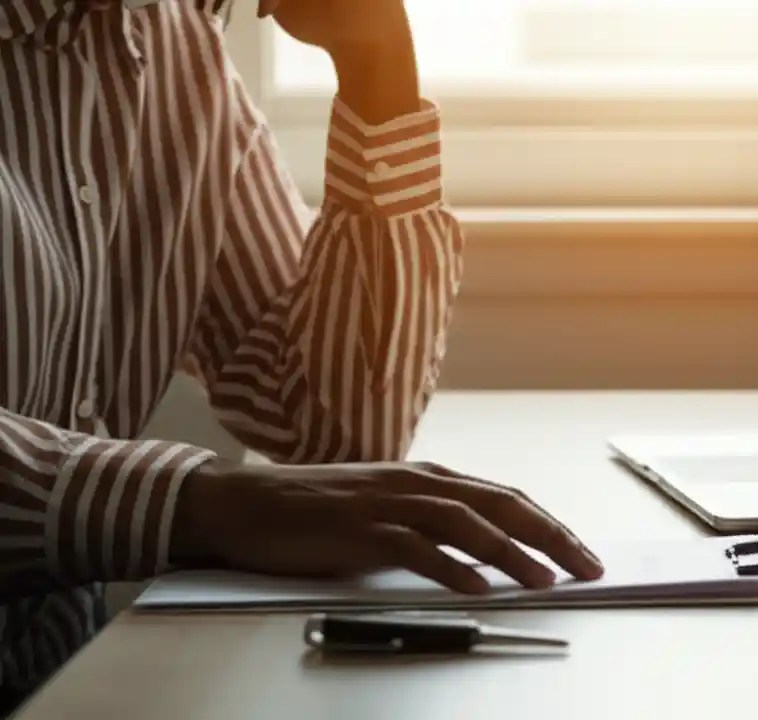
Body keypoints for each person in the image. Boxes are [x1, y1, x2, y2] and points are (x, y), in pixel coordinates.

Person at [0, 0, 603, 709]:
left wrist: (378, 68)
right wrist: (199, 503)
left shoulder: (169, 39)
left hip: (67, 680)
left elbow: (333, 427)